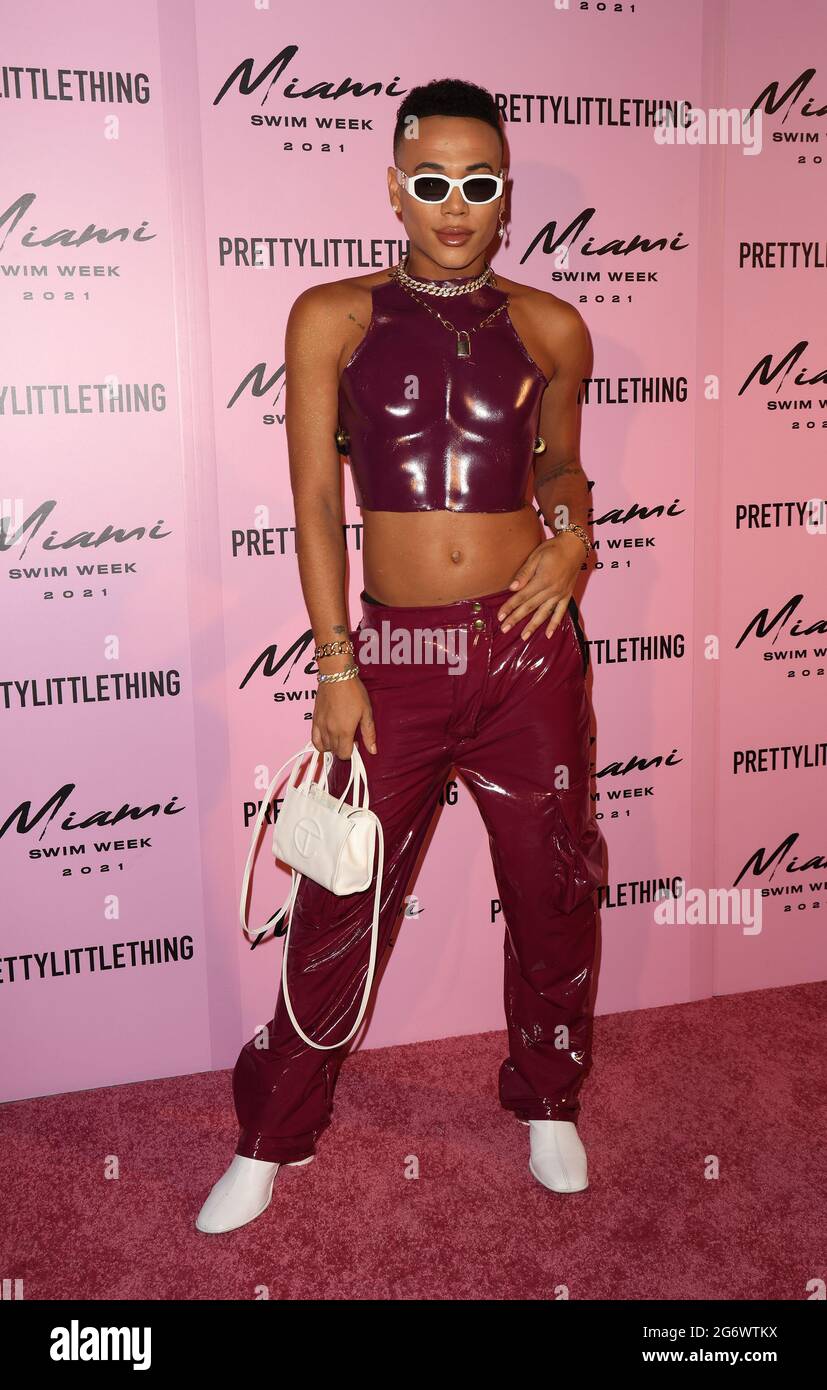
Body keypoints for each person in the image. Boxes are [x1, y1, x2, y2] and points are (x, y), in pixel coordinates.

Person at [196, 77, 606, 1234]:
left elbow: (558, 469)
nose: (455, 204)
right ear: (393, 186)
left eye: (479, 184)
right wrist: (335, 663)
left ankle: (546, 1095)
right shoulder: (332, 315)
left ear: (504, 192)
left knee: (549, 884)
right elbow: (313, 503)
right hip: (392, 657)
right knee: (340, 892)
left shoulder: (551, 326)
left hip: (527, 653)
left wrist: (572, 545)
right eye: (431, 182)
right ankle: (274, 1130)